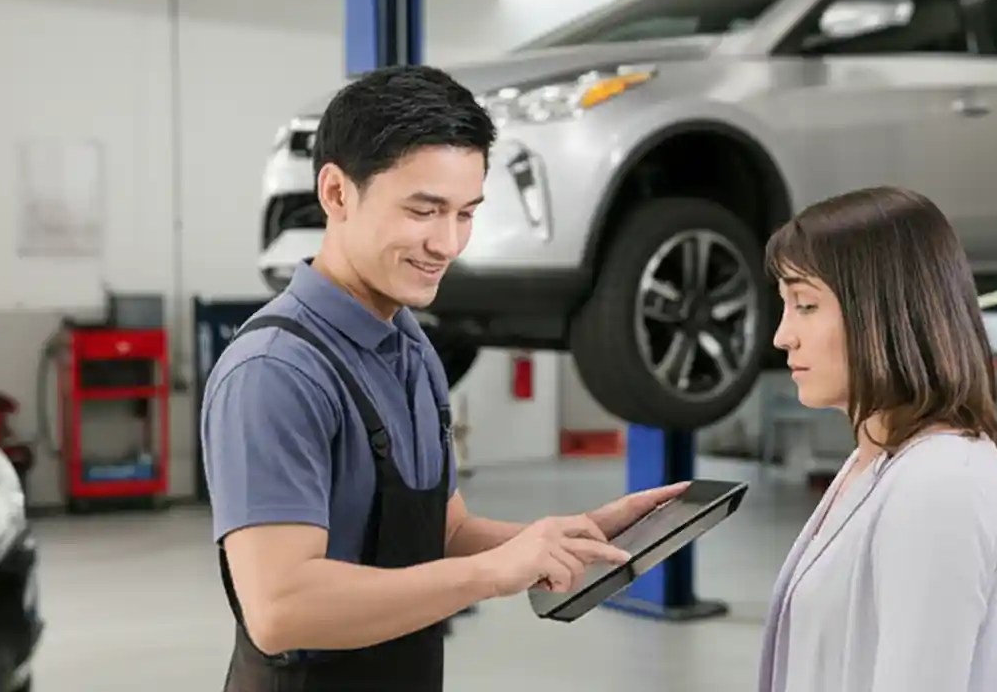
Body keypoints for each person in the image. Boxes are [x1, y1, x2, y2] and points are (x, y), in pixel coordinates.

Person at [200, 65, 687, 692]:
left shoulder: (410, 347)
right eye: (423, 211)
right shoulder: (275, 373)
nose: (448, 242)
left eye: (465, 213)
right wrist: (494, 575)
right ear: (336, 193)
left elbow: (445, 531)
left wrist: (563, 538)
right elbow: (280, 609)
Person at [756, 186, 997, 692]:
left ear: (882, 311)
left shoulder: (937, 485)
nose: (783, 335)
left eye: (805, 305)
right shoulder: (877, 460)